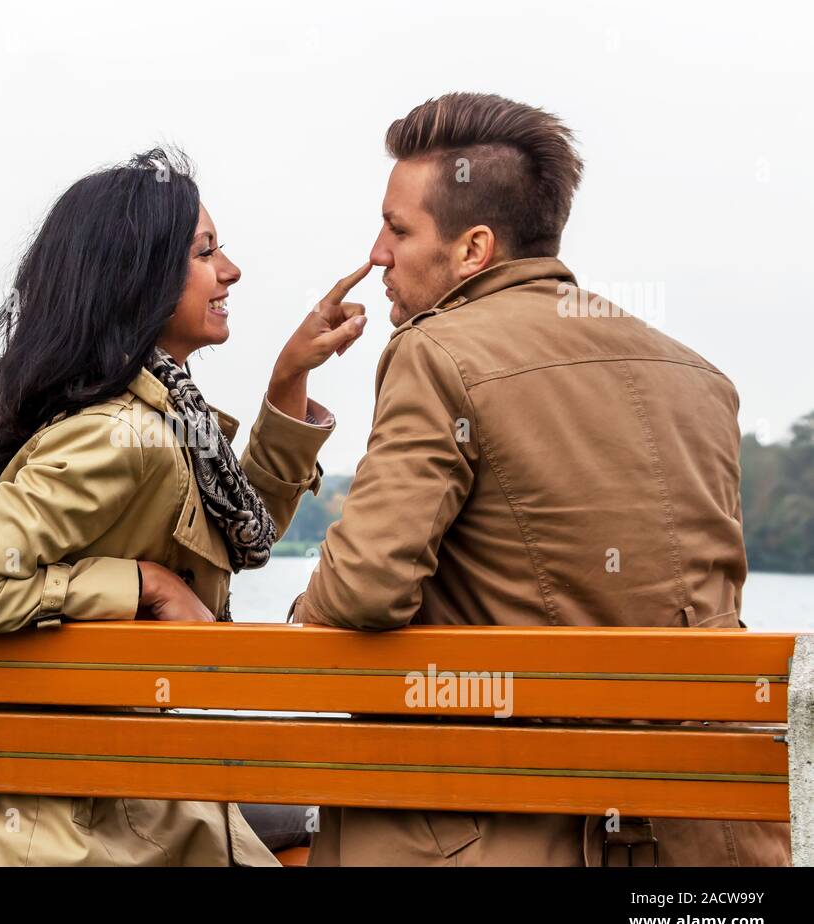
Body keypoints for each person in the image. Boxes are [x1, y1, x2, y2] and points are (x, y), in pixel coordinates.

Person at [292, 92, 791, 866]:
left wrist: (300, 615)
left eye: (397, 230)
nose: (377, 255)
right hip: (698, 848)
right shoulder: (700, 377)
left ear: (473, 250)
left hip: (502, 832)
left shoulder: (437, 354)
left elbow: (361, 594)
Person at [0, 147, 366, 866]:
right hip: (57, 826)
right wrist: (141, 585)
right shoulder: (122, 435)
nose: (230, 270)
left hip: (91, 789)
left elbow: (234, 529)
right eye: (205, 252)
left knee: (320, 820)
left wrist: (289, 376)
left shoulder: (161, 418)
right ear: (140, 276)